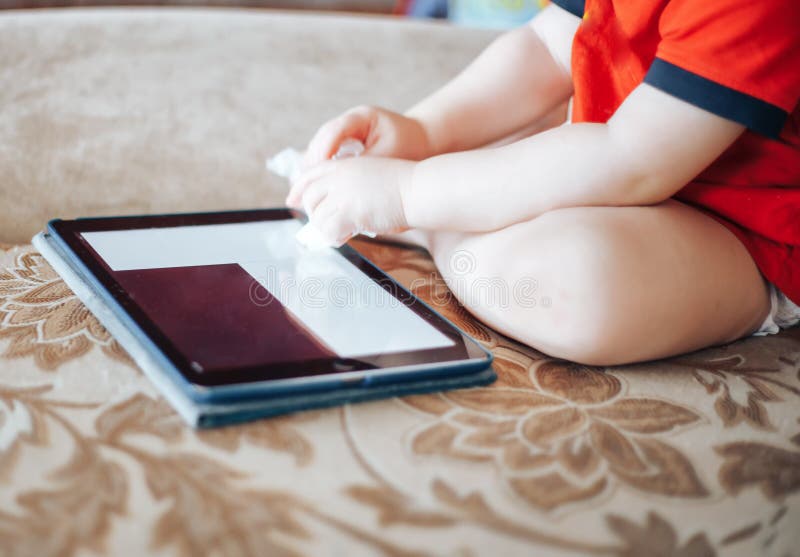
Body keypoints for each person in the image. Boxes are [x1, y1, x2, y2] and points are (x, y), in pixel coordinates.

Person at [286, 0, 800, 366]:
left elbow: (633, 158)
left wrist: (409, 193)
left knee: (581, 285)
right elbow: (548, 44)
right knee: (531, 157)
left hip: (752, 234)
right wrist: (423, 131)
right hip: (625, 163)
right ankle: (458, 206)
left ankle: (437, 224)